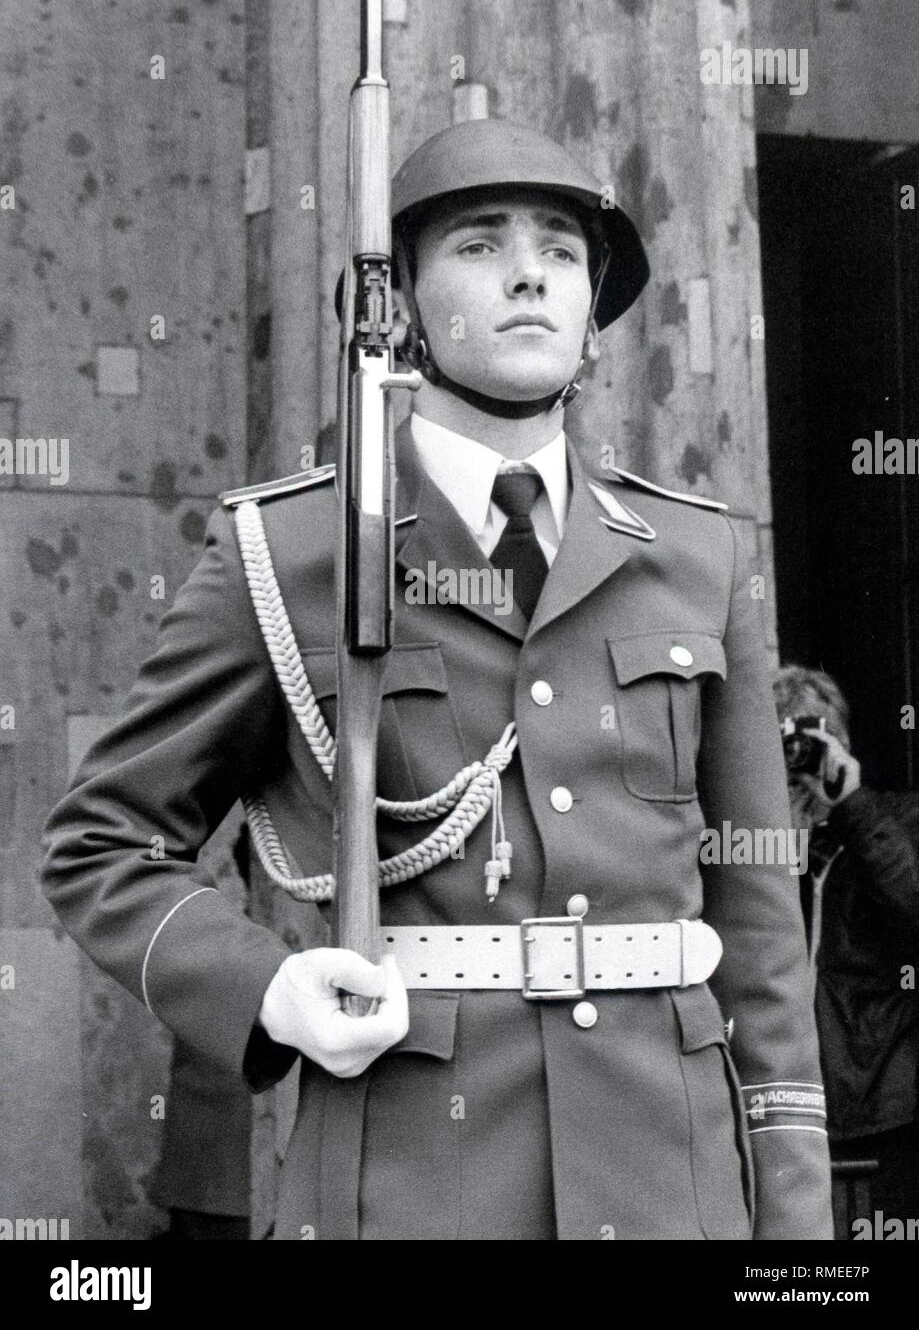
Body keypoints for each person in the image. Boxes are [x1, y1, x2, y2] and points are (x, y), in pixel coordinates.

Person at [42, 118, 832, 1240]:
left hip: (671, 1180)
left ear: (593, 314)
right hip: (414, 1176)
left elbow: (756, 925)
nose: (527, 272)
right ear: (402, 302)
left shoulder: (692, 556)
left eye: (560, 250)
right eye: (478, 243)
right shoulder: (292, 551)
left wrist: (793, 1231)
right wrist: (266, 989)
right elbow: (100, 840)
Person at [774, 665, 919, 1234]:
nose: (796, 761)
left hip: (882, 1115)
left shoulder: (896, 821)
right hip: (786, 1109)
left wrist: (850, 806)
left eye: (808, 741)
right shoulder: (755, 839)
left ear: (841, 743)